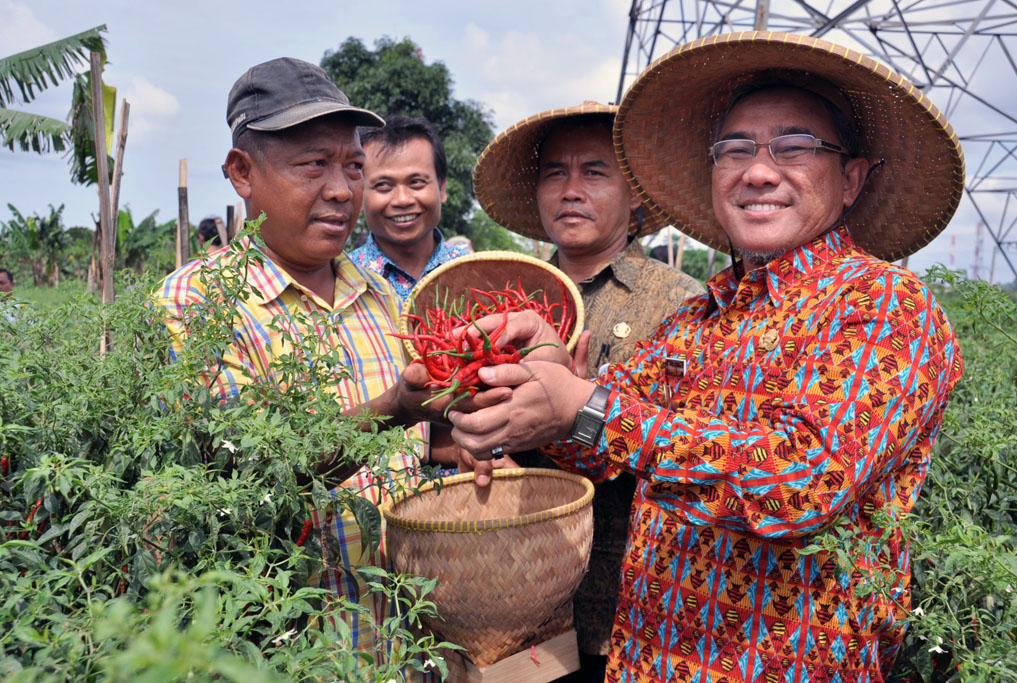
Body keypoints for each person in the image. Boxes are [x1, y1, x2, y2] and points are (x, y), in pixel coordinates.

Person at [449, 32, 965, 682]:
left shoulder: (885, 304)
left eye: (795, 146)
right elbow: (597, 443)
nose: (758, 169)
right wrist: (544, 376)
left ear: (852, 178)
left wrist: (585, 405)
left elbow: (803, 481)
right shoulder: (702, 318)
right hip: (644, 661)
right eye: (736, 149)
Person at [156, 57, 461, 668]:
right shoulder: (199, 303)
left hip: (402, 649)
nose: (342, 189)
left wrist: (451, 437)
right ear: (242, 173)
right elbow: (244, 483)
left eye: (352, 165)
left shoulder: (378, 294)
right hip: (291, 655)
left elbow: (412, 448)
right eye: (312, 165)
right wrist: (394, 410)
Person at [473, 102, 704, 680]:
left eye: (594, 172)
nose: (571, 189)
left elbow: (687, 448)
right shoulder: (508, 295)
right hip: (514, 587)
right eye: (556, 173)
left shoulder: (680, 301)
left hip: (621, 595)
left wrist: (581, 407)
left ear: (635, 195)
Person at [349, 114, 469, 303]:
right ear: (360, 196)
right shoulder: (339, 282)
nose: (403, 200)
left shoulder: (476, 273)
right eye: (383, 185)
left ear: (442, 189)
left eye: (416, 182)